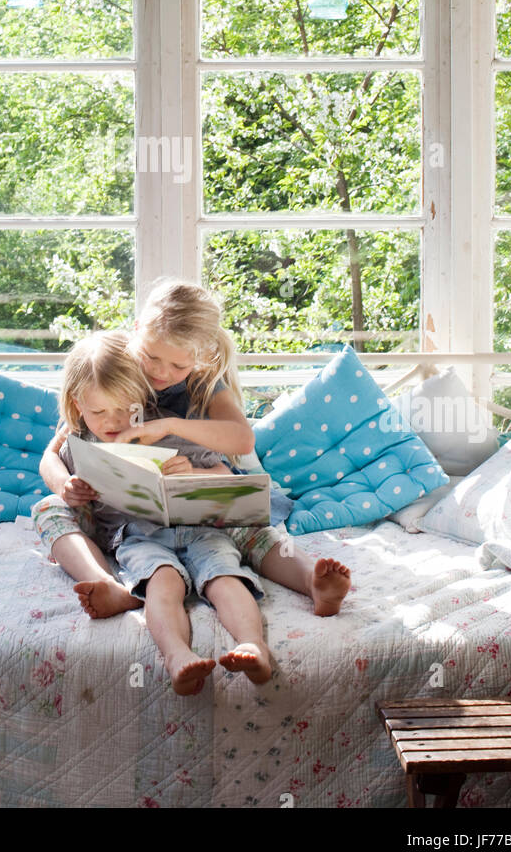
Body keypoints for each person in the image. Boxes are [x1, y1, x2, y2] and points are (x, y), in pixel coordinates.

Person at [32, 330, 275, 694]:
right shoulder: (80, 437)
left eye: (126, 410)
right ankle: (178, 656)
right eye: (99, 411)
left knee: (226, 576)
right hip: (136, 537)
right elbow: (50, 459)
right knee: (162, 582)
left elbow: (226, 473)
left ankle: (254, 648)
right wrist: (66, 485)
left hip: (198, 529)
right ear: (78, 405)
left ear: (143, 400)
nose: (113, 422)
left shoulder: (162, 429)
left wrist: (192, 472)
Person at [119, 278, 351, 619]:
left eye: (178, 366)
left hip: (204, 491)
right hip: (142, 503)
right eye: (151, 356)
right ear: (136, 329)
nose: (161, 372)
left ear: (200, 357)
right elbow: (69, 435)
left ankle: (312, 582)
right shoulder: (116, 368)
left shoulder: (203, 381)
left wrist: (168, 425)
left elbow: (242, 440)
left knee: (255, 533)